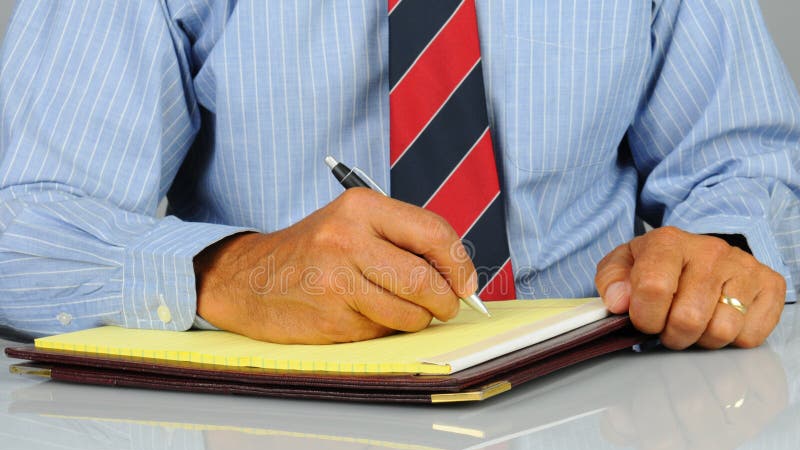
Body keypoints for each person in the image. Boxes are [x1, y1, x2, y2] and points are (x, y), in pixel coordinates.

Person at [0, 0, 797, 350]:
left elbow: (752, 162)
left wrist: (714, 251)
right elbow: (23, 229)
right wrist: (232, 271)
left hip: (605, 423)